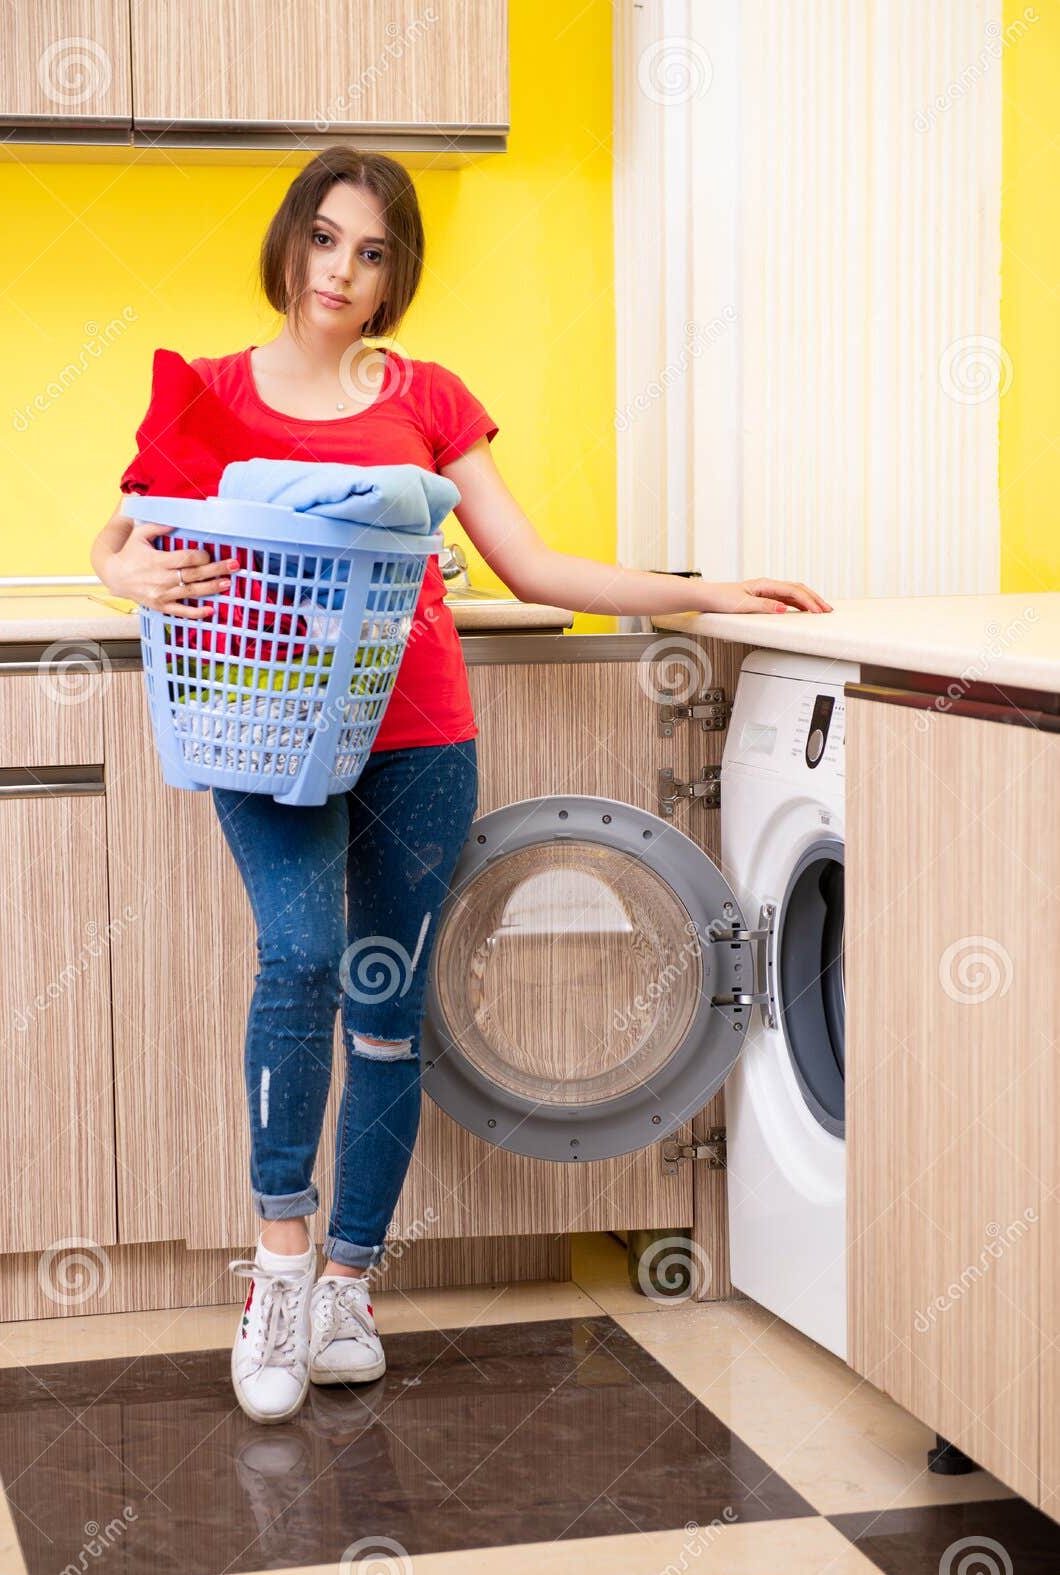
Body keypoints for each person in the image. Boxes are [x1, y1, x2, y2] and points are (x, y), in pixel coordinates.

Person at [89, 145, 832, 1426]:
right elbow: (123, 534)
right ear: (290, 241)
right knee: (300, 959)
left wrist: (710, 588)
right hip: (266, 730)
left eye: (373, 253)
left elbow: (533, 565)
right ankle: (277, 1271)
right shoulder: (210, 391)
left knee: (387, 1004)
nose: (342, 271)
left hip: (418, 731)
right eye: (326, 239)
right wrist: (123, 574)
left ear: (397, 275)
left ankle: (349, 1286)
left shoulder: (428, 395)